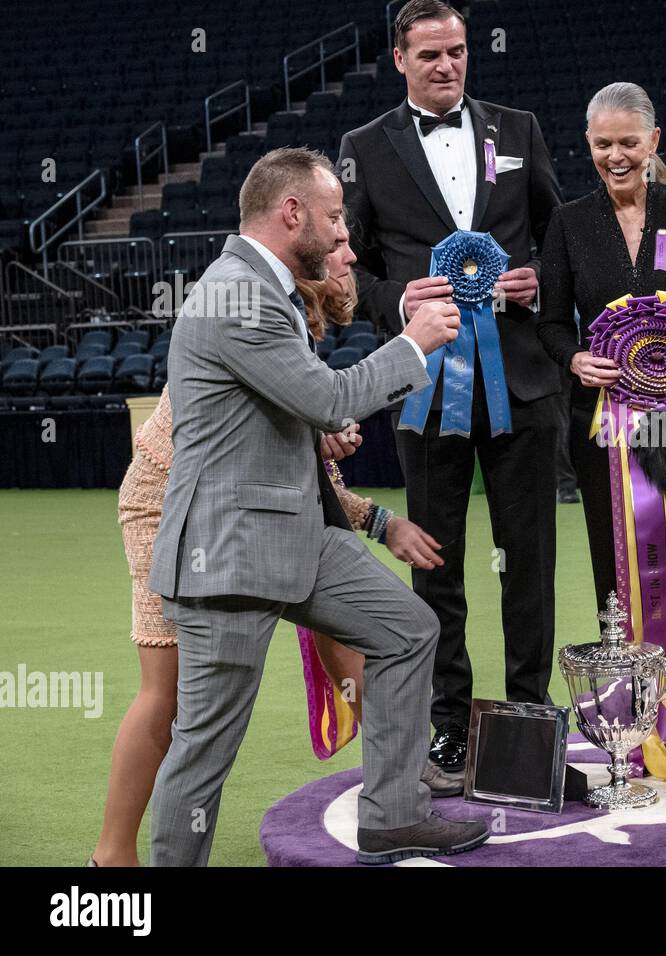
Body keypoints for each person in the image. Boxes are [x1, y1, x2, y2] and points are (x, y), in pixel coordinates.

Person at [147, 147, 486, 865]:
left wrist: (317, 430)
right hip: (231, 553)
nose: (343, 238)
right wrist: (412, 342)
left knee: (407, 629)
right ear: (290, 212)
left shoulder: (262, 287)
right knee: (205, 748)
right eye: (334, 218)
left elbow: (284, 402)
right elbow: (325, 393)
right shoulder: (236, 291)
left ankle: (392, 816)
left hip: (295, 534)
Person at [91, 242, 442, 867]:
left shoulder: (290, 315)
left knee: (390, 634)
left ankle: (398, 798)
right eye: (338, 246)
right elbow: (267, 446)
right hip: (178, 511)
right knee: (167, 696)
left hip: (270, 521)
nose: (350, 259)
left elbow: (289, 453)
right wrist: (374, 510)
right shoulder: (252, 303)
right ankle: (113, 858)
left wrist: (359, 493)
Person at [338, 0, 564, 791]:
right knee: (437, 566)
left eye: (458, 51)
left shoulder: (520, 127)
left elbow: (556, 233)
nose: (447, 66)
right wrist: (398, 303)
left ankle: (530, 721)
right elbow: (347, 267)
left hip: (526, 380)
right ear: (399, 58)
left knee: (529, 559)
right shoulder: (364, 149)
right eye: (430, 54)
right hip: (425, 385)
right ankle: (447, 727)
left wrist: (545, 281)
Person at [536, 81, 666, 730]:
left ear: (654, 142)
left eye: (629, 142)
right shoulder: (567, 222)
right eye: (603, 145)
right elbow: (549, 322)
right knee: (618, 567)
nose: (616, 156)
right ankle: (635, 724)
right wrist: (573, 357)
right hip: (602, 427)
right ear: (588, 145)